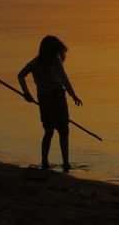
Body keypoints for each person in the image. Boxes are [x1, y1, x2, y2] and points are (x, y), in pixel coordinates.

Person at [17, 35, 82, 172]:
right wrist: (26, 93)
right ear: (48, 52)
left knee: (64, 130)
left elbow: (64, 78)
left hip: (59, 96)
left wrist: (73, 95)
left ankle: (66, 162)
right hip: (45, 98)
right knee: (49, 130)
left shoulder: (56, 61)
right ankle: (44, 161)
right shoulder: (35, 64)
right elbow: (21, 75)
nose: (58, 56)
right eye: (54, 52)